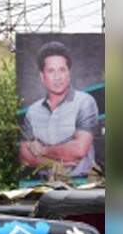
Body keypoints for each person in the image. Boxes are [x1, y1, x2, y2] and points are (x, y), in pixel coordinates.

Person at [19, 41, 100, 178]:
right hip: (42, 184)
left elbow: (79, 150)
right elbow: (24, 155)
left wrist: (43, 150)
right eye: (51, 71)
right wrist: (53, 164)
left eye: (62, 70)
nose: (57, 77)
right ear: (42, 76)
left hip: (79, 183)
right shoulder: (32, 112)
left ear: (69, 73)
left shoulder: (85, 102)